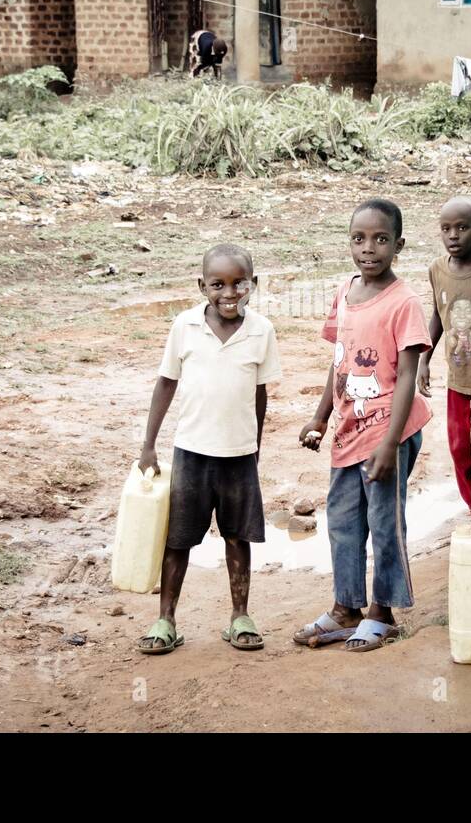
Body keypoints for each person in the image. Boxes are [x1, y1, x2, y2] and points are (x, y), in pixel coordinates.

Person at [297, 199, 432, 651]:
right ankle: (345, 607)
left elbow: (409, 377)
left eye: (380, 239)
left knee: (383, 520)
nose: (368, 248)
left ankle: (384, 611)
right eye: (359, 238)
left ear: (398, 244)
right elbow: (339, 361)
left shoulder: (404, 303)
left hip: (388, 433)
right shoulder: (345, 291)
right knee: (342, 519)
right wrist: (320, 415)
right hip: (348, 430)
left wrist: (391, 445)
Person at [136, 243, 281, 655]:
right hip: (191, 452)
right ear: (202, 286)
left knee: (238, 537)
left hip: (238, 455)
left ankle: (240, 616)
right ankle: (166, 619)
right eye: (218, 284)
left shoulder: (262, 331)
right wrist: (148, 446)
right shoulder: (184, 327)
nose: (230, 293)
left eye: (240, 284)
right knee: (177, 539)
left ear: (254, 285)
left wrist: (255, 445)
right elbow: (166, 383)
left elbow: (260, 393)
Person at [417, 197, 471, 512]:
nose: (453, 235)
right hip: (458, 382)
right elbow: (439, 315)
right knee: (460, 447)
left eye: (462, 228)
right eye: (446, 229)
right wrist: (424, 358)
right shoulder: (437, 270)